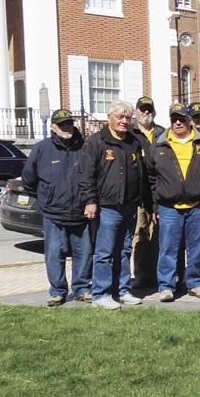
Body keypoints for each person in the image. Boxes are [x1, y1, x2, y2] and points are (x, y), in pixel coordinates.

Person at [146, 103, 200, 302]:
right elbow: (151, 179)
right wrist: (154, 205)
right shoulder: (159, 145)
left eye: (181, 118)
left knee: (197, 248)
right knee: (168, 249)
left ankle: (195, 283)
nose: (178, 122)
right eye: (174, 119)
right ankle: (166, 286)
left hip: (199, 206)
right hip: (168, 207)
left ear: (189, 120)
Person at [22, 109, 92, 306]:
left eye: (69, 123)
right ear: (53, 127)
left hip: (81, 212)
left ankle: (82, 288)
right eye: (62, 124)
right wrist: (45, 199)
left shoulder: (85, 147)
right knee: (54, 254)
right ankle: (58, 291)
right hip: (53, 213)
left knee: (84, 253)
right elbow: (28, 179)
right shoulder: (41, 149)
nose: (67, 127)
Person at [79, 100, 144, 310]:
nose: (124, 121)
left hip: (130, 206)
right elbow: (86, 175)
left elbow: (140, 173)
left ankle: (122, 290)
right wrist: (90, 201)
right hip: (107, 207)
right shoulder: (96, 142)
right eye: (120, 117)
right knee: (104, 253)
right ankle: (101, 294)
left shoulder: (133, 142)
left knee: (124, 251)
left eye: (128, 117)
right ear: (109, 118)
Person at [130, 96, 165, 287]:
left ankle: (159, 274)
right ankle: (142, 275)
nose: (146, 112)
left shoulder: (162, 133)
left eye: (149, 109)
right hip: (140, 194)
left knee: (158, 236)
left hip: (160, 191)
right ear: (136, 111)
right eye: (142, 109)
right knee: (141, 235)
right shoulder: (130, 133)